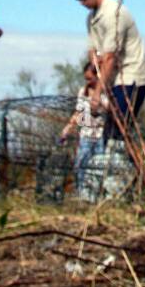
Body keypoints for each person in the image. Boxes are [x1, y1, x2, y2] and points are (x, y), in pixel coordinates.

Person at [69, 0, 145, 166]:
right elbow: (94, 51)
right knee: (111, 133)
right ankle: (119, 176)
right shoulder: (91, 18)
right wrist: (95, 63)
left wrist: (97, 94)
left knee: (118, 130)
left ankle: (135, 175)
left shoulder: (114, 13)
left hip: (132, 76)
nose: (82, 3)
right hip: (113, 80)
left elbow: (110, 57)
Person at [59, 63, 107, 198]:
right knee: (81, 165)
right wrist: (68, 128)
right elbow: (78, 112)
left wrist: (99, 103)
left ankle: (96, 195)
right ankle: (81, 193)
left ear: (98, 77)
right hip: (86, 135)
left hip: (100, 136)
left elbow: (111, 110)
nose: (87, 81)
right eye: (86, 78)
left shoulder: (105, 93)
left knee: (98, 167)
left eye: (90, 78)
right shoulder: (83, 92)